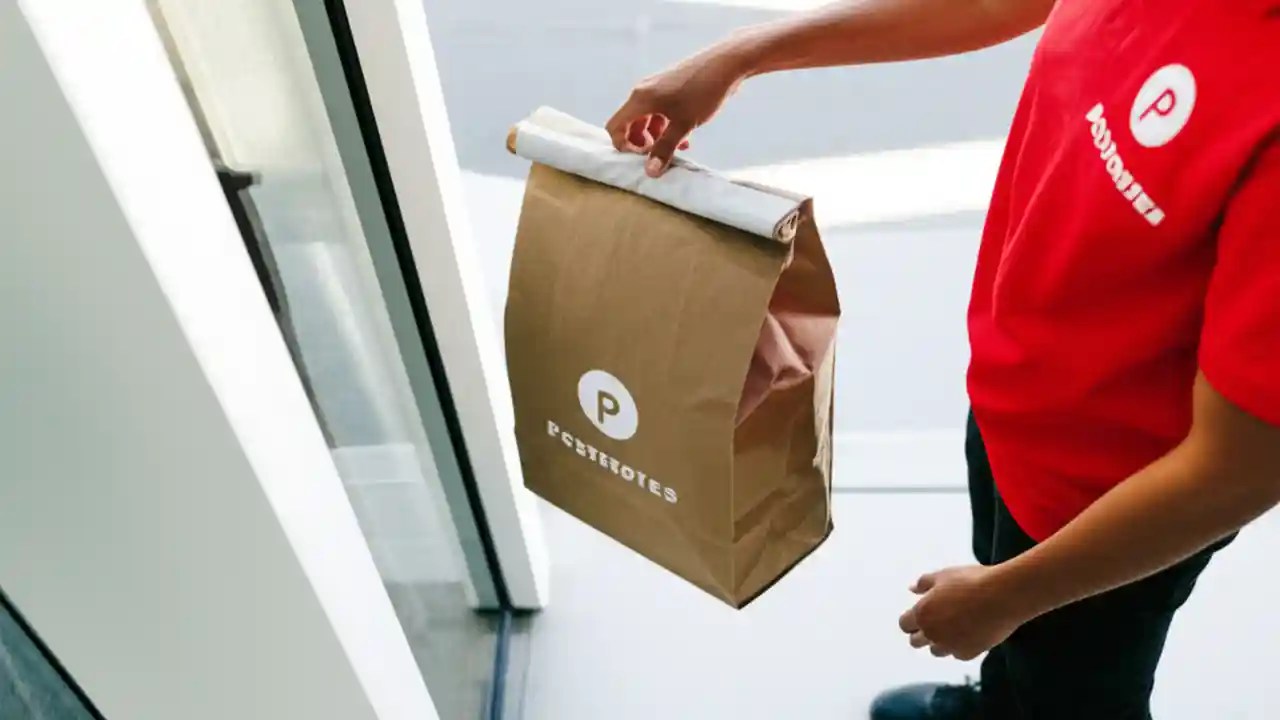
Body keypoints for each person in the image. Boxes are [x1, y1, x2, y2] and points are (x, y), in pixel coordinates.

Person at [605, 1, 1280, 718]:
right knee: (1023, 648)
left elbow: (1240, 468)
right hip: (1011, 389)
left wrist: (1011, 594)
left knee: (1076, 687)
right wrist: (742, 54)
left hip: (1110, 496)